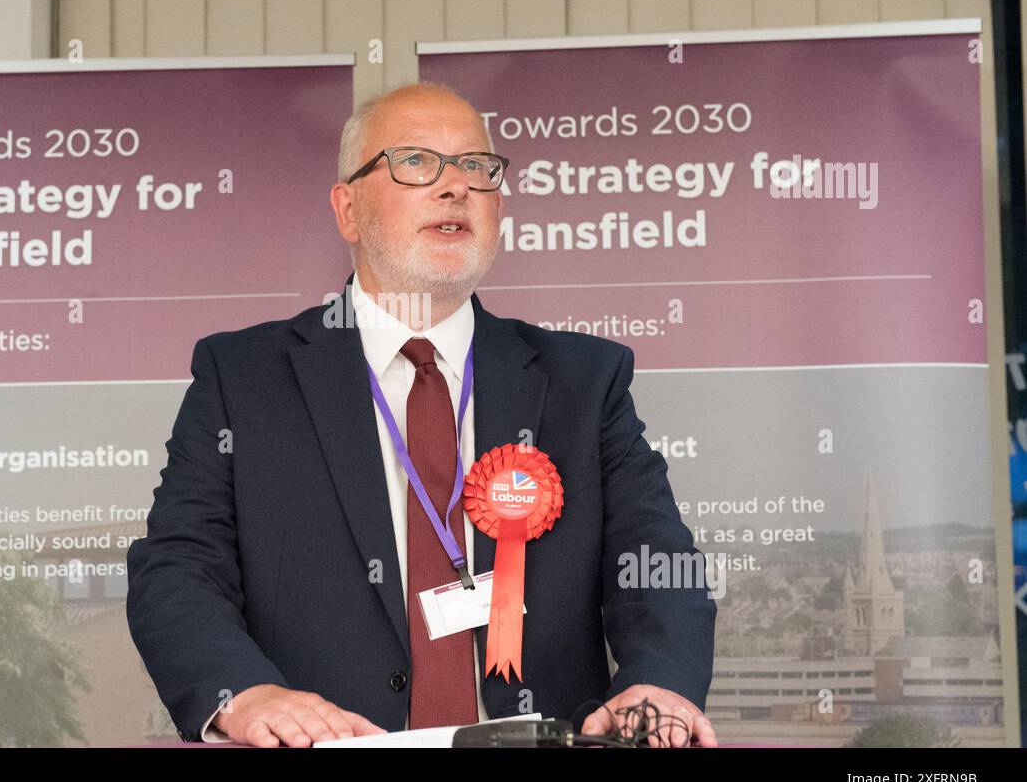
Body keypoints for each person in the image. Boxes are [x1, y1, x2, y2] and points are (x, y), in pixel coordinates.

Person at [126, 81, 717, 748]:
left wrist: (660, 681)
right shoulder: (243, 379)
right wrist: (245, 692)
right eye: (416, 164)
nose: (456, 187)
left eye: (476, 168)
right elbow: (179, 569)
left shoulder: (584, 381)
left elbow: (655, 558)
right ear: (348, 210)